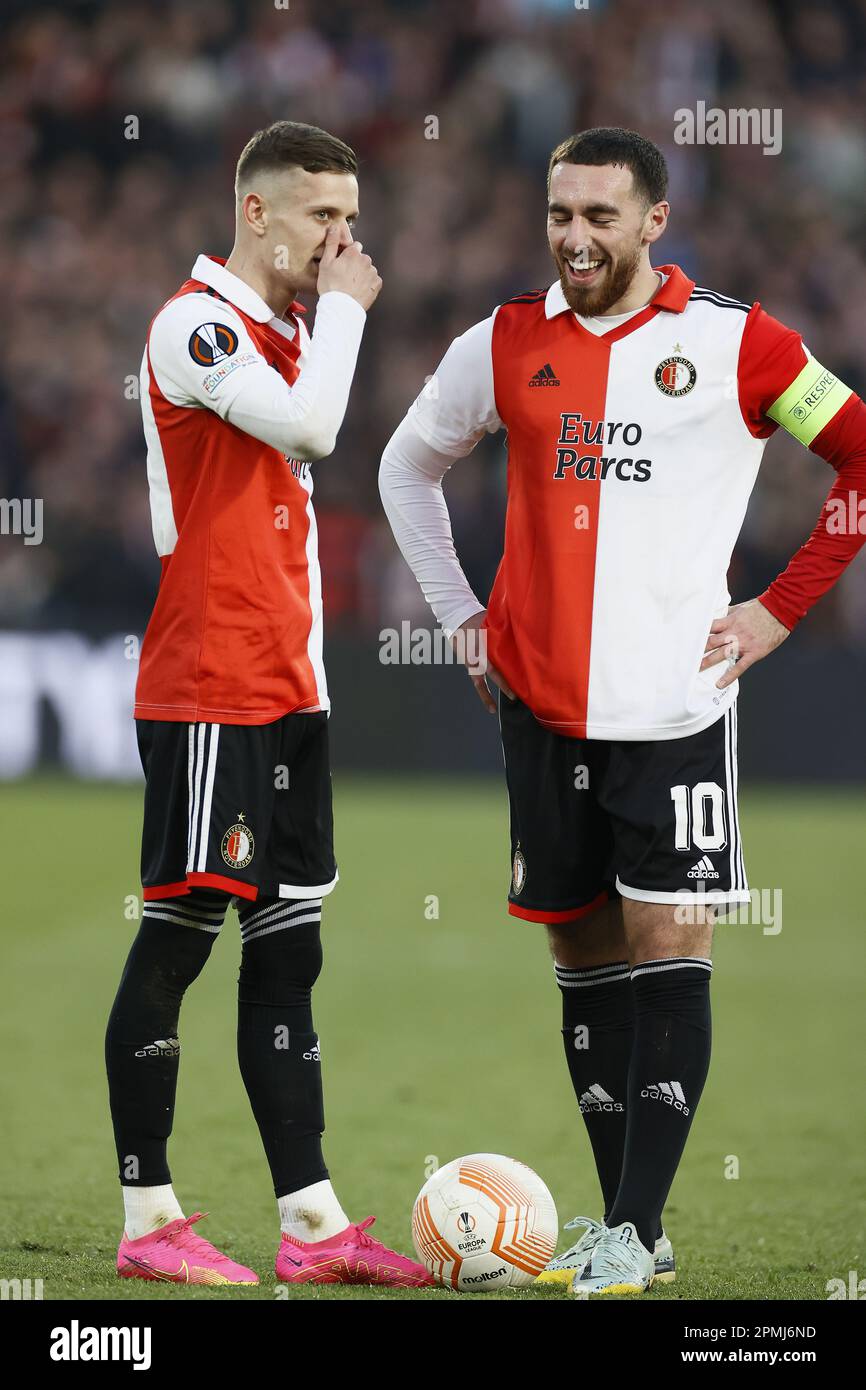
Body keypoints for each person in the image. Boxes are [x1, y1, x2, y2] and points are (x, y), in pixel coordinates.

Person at [379, 126, 866, 1295]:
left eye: (601, 216)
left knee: (669, 952)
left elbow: (859, 458)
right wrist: (457, 617)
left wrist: (777, 610)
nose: (575, 237)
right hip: (540, 711)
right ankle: (622, 1225)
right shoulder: (501, 339)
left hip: (674, 709)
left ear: (655, 220)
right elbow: (406, 467)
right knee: (582, 956)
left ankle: (634, 1230)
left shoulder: (739, 343)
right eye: (559, 214)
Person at [106, 120, 429, 1288]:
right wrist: (345, 307)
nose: (342, 240)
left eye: (351, 218)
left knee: (287, 958)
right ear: (256, 212)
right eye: (320, 217)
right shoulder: (195, 325)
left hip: (291, 687)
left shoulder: (282, 331)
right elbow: (315, 427)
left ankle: (312, 1227)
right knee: (179, 939)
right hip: (209, 684)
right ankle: (149, 1217)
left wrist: (324, 312)